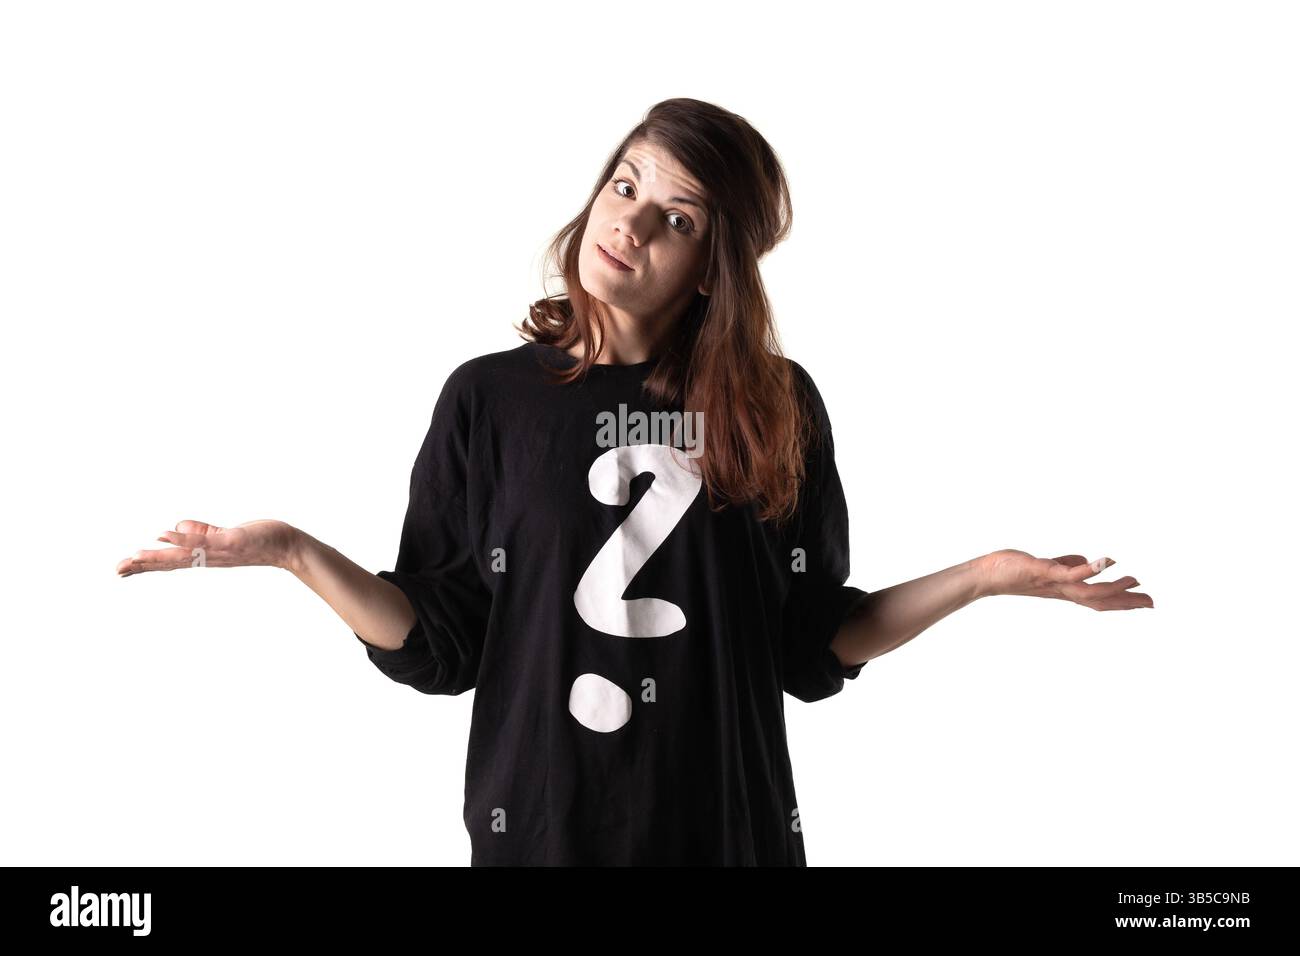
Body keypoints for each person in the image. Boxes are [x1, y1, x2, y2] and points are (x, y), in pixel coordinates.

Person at [116, 98, 1154, 866]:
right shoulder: (488, 398)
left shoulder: (773, 402)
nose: (634, 224)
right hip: (542, 835)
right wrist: (297, 552)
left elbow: (809, 641)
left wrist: (979, 577)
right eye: (627, 186)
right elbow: (444, 640)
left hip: (727, 833)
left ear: (714, 264)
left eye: (680, 218)